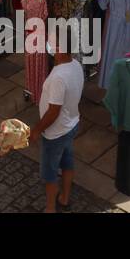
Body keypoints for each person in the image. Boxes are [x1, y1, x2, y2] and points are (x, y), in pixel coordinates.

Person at [31, 39, 84, 212]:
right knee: (67, 162)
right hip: (71, 124)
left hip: (56, 133)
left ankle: (50, 208)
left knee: (50, 173)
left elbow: (53, 111)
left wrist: (37, 130)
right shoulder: (76, 65)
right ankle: (64, 197)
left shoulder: (58, 77)